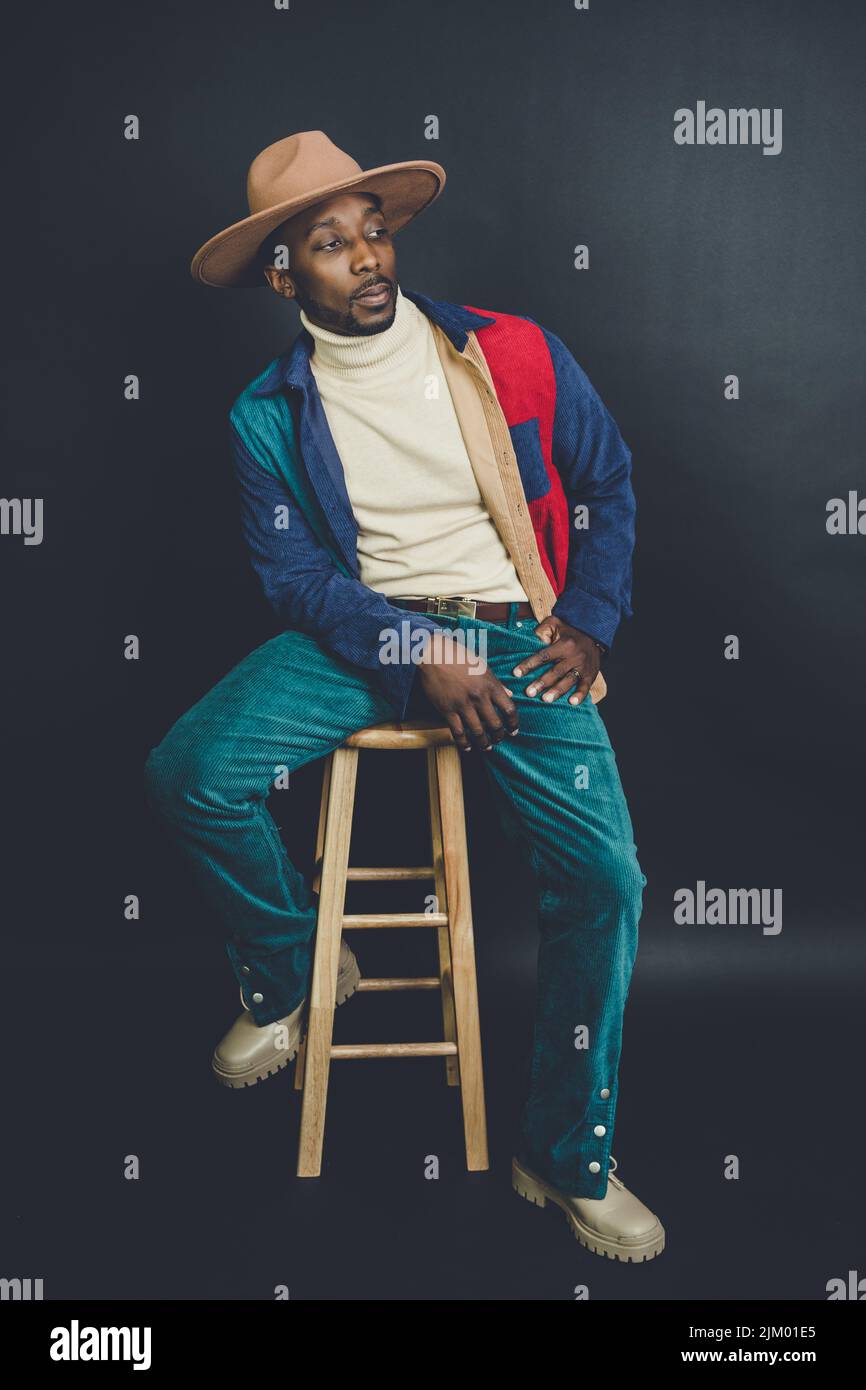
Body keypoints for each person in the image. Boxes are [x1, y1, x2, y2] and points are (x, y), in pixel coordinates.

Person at [144, 130, 664, 1262]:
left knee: (606, 881)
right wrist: (411, 643)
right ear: (284, 276)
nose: (366, 257)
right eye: (329, 244)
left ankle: (562, 1152)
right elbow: (295, 578)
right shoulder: (264, 416)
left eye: (373, 231)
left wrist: (588, 620)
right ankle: (293, 965)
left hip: (516, 634)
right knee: (191, 770)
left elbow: (606, 477)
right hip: (366, 632)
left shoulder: (510, 350)